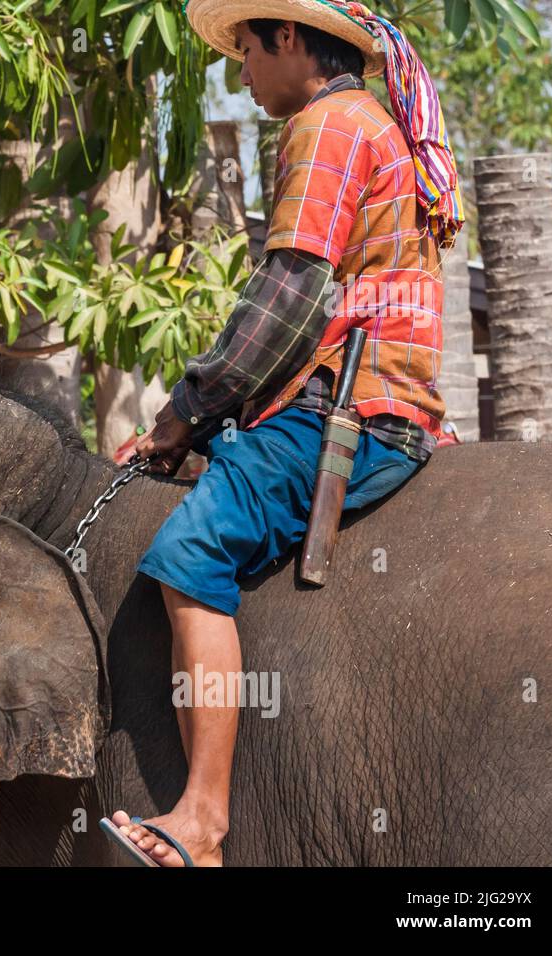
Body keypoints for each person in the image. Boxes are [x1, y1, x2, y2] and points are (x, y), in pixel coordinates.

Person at [106, 0, 465, 866]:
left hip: (349, 413)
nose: (242, 72)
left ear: (292, 39)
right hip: (391, 404)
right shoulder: (376, 125)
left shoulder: (328, 124)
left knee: (191, 556)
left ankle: (202, 818)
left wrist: (189, 407)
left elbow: (291, 295)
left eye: (249, 51)